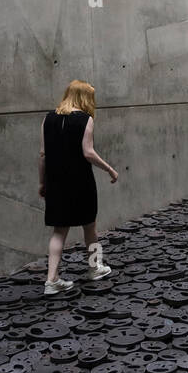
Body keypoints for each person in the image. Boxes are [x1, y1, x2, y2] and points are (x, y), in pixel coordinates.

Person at [38, 80, 119, 295]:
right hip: (80, 181)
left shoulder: (48, 118)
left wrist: (42, 182)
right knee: (90, 226)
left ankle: (51, 280)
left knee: (59, 230)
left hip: (55, 181)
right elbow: (88, 153)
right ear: (85, 98)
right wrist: (110, 169)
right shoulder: (86, 119)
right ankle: (94, 268)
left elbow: (43, 156)